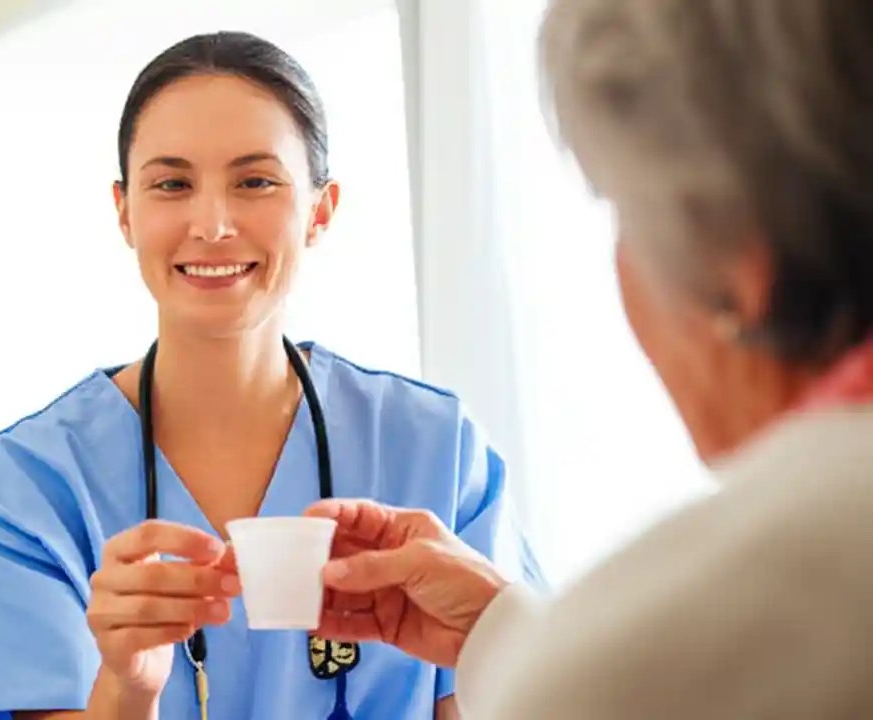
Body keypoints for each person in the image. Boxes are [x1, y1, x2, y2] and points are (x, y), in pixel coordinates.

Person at [0, 31, 540, 720]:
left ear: (320, 209)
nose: (213, 223)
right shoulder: (27, 488)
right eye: (172, 184)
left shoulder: (436, 449)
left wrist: (500, 633)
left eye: (255, 181)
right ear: (124, 212)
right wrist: (127, 690)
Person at [303, 0, 873, 718]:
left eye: (625, 217)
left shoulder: (663, 645)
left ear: (738, 273)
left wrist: (549, 667)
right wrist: (501, 633)